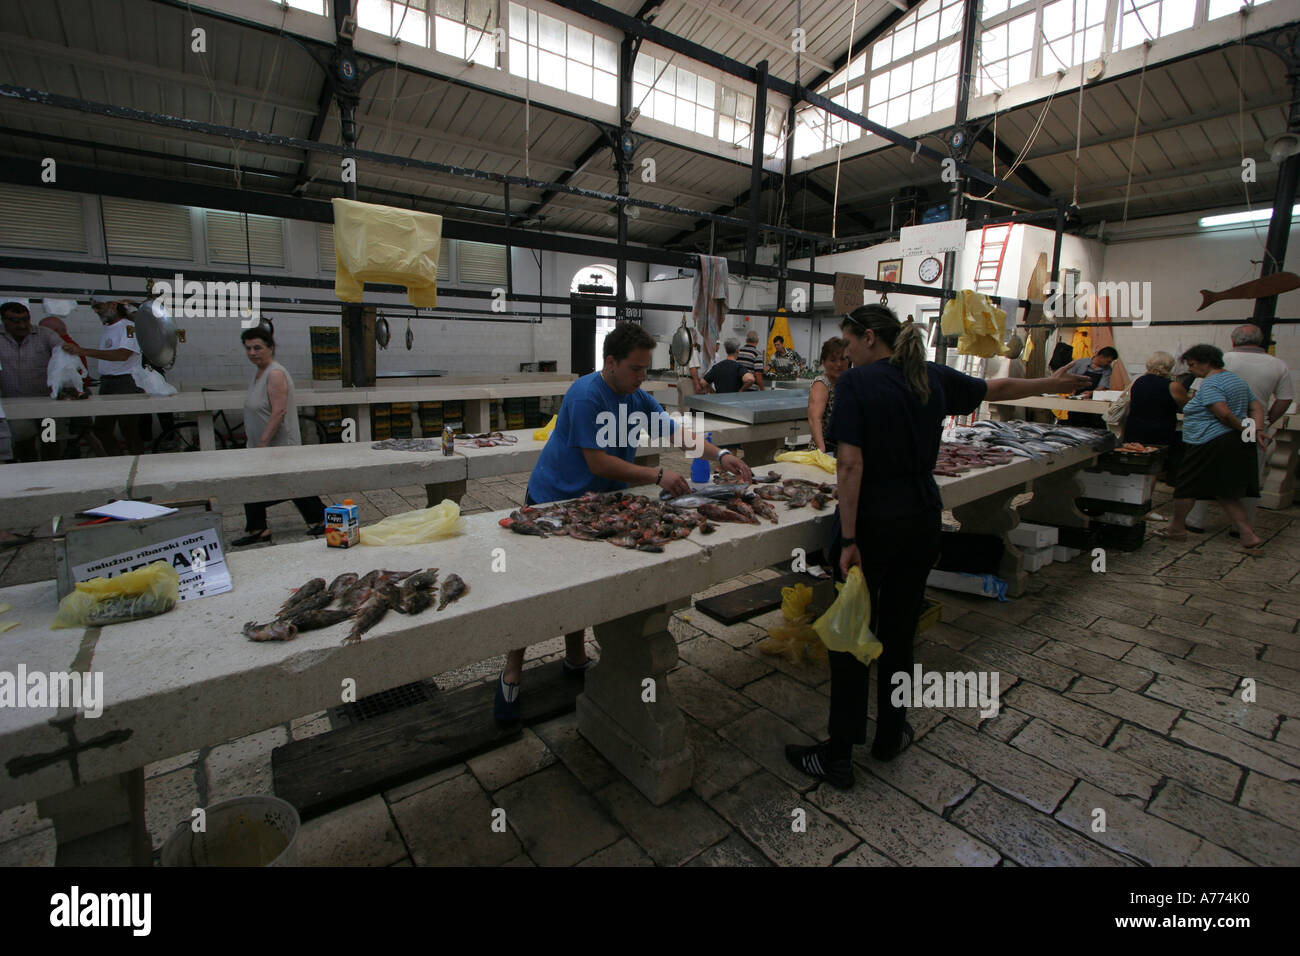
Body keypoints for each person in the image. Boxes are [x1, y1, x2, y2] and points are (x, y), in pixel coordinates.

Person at [784, 304, 1091, 789]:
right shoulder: (928, 375)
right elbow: (996, 389)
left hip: (872, 524)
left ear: (868, 339)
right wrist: (1050, 383)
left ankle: (839, 754)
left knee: (850, 637)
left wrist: (846, 538)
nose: (845, 353)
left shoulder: (858, 385)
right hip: (922, 516)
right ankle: (889, 736)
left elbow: (849, 466)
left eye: (848, 343)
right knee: (900, 633)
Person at [497, 322, 752, 722]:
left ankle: (576, 655)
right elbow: (596, 461)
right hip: (553, 501)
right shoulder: (585, 395)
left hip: (597, 503)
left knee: (583, 579)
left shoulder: (634, 396)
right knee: (535, 588)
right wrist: (656, 476)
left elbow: (672, 431)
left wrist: (719, 455)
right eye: (635, 369)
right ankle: (512, 669)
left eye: (645, 369)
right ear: (610, 362)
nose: (641, 377)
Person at [1185, 324, 1294, 535]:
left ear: (1233, 340)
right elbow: (1285, 398)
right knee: (1249, 478)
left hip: (1213, 428)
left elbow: (1199, 395)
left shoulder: (1222, 360)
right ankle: (1242, 527)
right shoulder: (1278, 365)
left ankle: (1195, 520)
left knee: (1203, 473)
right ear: (1261, 341)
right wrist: (1267, 420)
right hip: (1253, 427)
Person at [1157, 344, 1267, 550]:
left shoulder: (1211, 384)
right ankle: (1248, 534)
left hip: (1209, 441)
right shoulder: (1237, 381)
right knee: (1225, 491)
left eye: (1192, 364)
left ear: (1206, 362)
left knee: (1186, 486)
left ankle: (1176, 528)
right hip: (1230, 442)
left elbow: (1223, 413)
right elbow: (1256, 407)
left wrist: (1246, 429)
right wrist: (1257, 429)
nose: (1190, 369)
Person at [231, 328, 327, 546]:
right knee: (291, 484)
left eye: (258, 347)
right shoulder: (259, 373)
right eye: (248, 348)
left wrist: (263, 443)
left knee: (265, 483)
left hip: (278, 444)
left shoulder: (274, 373)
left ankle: (259, 528)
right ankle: (320, 518)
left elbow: (278, 411)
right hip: (262, 444)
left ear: (270, 348)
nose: (253, 352)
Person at [60, 297, 145, 455]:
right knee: (102, 429)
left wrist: (83, 351)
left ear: (112, 305)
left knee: (128, 429)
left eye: (98, 306)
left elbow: (123, 355)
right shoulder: (109, 328)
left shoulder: (128, 327)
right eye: (94, 307)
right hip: (108, 382)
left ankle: (140, 465)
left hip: (126, 382)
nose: (96, 310)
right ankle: (119, 461)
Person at [0, 302, 66, 461]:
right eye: (15, 321)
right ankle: (30, 473)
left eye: (25, 320)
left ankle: (52, 472)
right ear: (3, 320)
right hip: (15, 404)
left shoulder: (45, 334)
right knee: (24, 441)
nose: (22, 325)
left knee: (49, 439)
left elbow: (64, 357)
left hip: (46, 403)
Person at [1123, 351, 1186, 483]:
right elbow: (1187, 408)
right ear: (1169, 367)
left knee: (1135, 463)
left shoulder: (1138, 381)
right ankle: (1147, 496)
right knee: (1153, 467)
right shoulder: (1173, 386)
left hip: (1135, 427)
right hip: (1159, 430)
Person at [808, 337, 847, 455]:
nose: (838, 364)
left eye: (842, 359)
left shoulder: (846, 382)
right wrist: (821, 449)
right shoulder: (822, 383)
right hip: (825, 449)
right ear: (823, 362)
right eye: (833, 360)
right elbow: (815, 419)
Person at [674, 329, 707, 409]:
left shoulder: (681, 350)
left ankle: (681, 421)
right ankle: (688, 421)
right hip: (688, 381)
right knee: (689, 408)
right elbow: (693, 368)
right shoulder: (692, 351)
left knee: (682, 407)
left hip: (680, 380)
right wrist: (697, 384)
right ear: (694, 337)